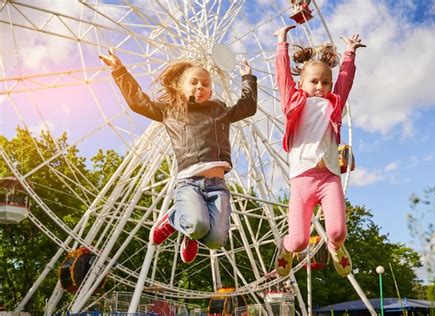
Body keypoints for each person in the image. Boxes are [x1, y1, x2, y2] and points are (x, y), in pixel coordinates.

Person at [99, 49, 257, 263]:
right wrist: (120, 71)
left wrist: (247, 77)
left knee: (214, 241)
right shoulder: (170, 112)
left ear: (210, 90)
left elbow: (248, 107)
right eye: (194, 82)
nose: (200, 87)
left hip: (218, 185)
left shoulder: (220, 110)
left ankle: (187, 231)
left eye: (205, 84)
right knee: (196, 225)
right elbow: (138, 102)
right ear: (179, 87)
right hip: (189, 183)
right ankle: (174, 220)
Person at [273, 25, 365, 277]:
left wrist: (349, 54)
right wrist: (282, 43)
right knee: (300, 241)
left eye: (326, 82)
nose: (320, 87)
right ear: (301, 83)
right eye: (314, 82)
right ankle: (286, 246)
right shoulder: (293, 102)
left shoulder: (333, 105)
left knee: (338, 232)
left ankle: (335, 247)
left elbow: (345, 83)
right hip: (302, 178)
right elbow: (282, 77)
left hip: (329, 176)